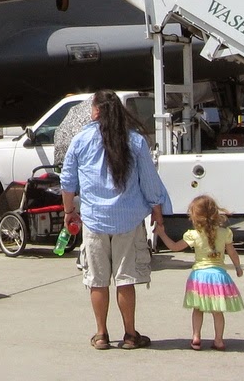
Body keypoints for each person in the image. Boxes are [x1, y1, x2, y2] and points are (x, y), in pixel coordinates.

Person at [60, 89, 170, 351]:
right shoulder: (135, 140)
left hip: (94, 219)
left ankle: (101, 335)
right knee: (125, 279)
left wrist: (68, 212)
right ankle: (130, 335)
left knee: (97, 280)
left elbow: (67, 181)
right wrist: (157, 211)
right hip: (128, 220)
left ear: (96, 111)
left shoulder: (80, 140)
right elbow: (149, 180)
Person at [156, 195, 244, 351]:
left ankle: (196, 337)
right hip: (218, 276)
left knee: (198, 308)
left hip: (199, 277)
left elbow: (175, 247)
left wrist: (162, 234)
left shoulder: (194, 235)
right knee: (217, 310)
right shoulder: (224, 233)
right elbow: (232, 253)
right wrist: (237, 267)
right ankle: (218, 340)